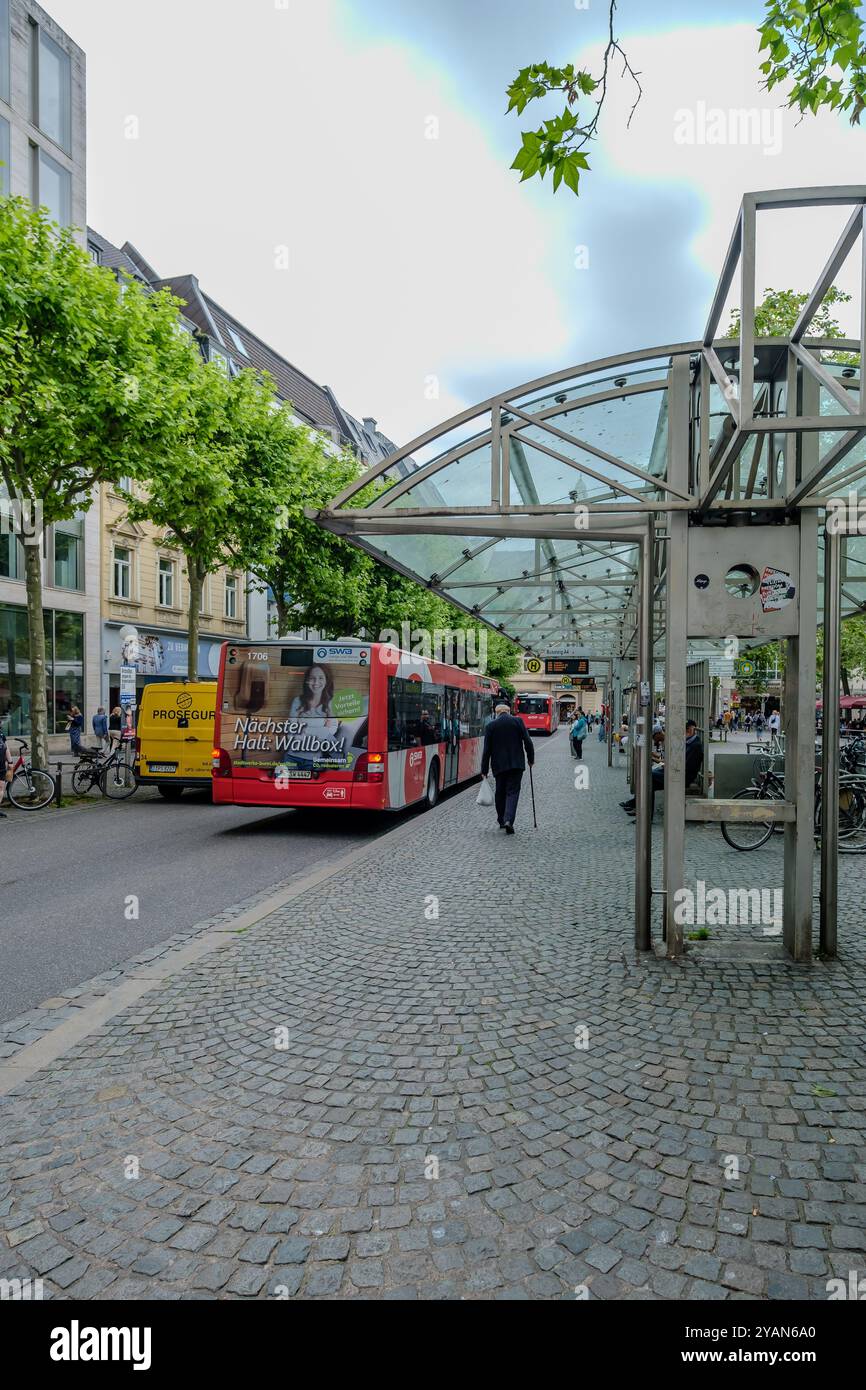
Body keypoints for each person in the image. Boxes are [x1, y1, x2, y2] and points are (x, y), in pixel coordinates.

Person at [621, 719, 703, 818]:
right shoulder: (688, 742)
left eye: (683, 730)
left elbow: (686, 766)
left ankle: (642, 812)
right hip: (676, 771)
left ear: (690, 730)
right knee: (650, 784)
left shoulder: (695, 746)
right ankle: (642, 812)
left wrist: (669, 765)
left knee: (648, 775)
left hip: (682, 776)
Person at [481, 700, 534, 834]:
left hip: (499, 766)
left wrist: (484, 770)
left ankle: (501, 819)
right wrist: (530, 759)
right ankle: (509, 820)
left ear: (496, 713)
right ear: (508, 711)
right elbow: (528, 741)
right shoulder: (518, 722)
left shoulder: (491, 726)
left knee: (500, 792)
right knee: (513, 792)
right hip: (516, 764)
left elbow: (486, 750)